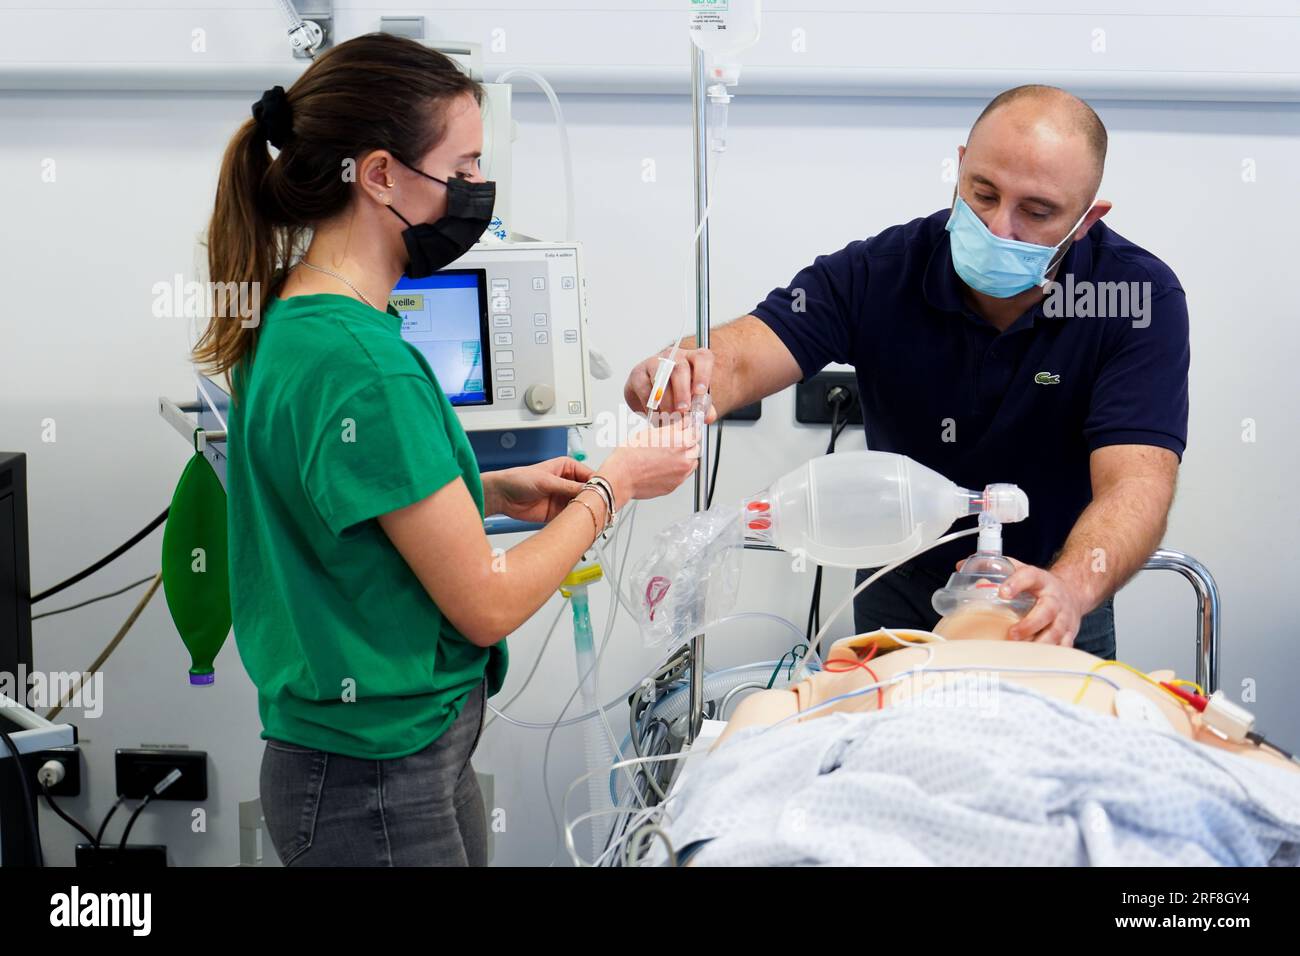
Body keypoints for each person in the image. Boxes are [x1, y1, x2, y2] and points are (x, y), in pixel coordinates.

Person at [193, 33, 700, 866]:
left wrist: (493, 491)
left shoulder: (297, 317)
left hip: (379, 759)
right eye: (462, 168)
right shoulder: (366, 367)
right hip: (375, 781)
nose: (477, 193)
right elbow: (488, 604)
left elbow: (352, 512)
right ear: (382, 174)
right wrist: (617, 485)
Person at [624, 85, 1190, 660]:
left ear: (1088, 219)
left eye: (1037, 212)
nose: (999, 227)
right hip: (894, 582)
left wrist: (1070, 588)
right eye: (983, 193)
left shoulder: (1134, 298)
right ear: (961, 164)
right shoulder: (881, 273)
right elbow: (745, 355)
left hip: (1051, 594)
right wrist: (682, 372)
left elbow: (1136, 483)